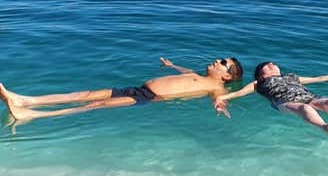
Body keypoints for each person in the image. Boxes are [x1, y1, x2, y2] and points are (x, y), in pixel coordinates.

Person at [1, 56, 243, 123]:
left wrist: (220, 106)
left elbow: (220, 99)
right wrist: (171, 65)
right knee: (85, 94)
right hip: (135, 88)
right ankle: (25, 99)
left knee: (94, 105)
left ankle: (32, 115)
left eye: (223, 63)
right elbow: (183, 73)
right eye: (220, 58)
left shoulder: (216, 87)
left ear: (226, 76)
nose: (218, 61)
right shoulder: (196, 74)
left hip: (147, 98)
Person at [213, 61, 328, 135]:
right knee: (304, 108)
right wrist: (221, 98)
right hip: (284, 102)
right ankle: (325, 128)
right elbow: (240, 93)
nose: (272, 64)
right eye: (267, 65)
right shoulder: (258, 83)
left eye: (273, 64)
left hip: (309, 96)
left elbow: (319, 78)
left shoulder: (292, 77)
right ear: (261, 75)